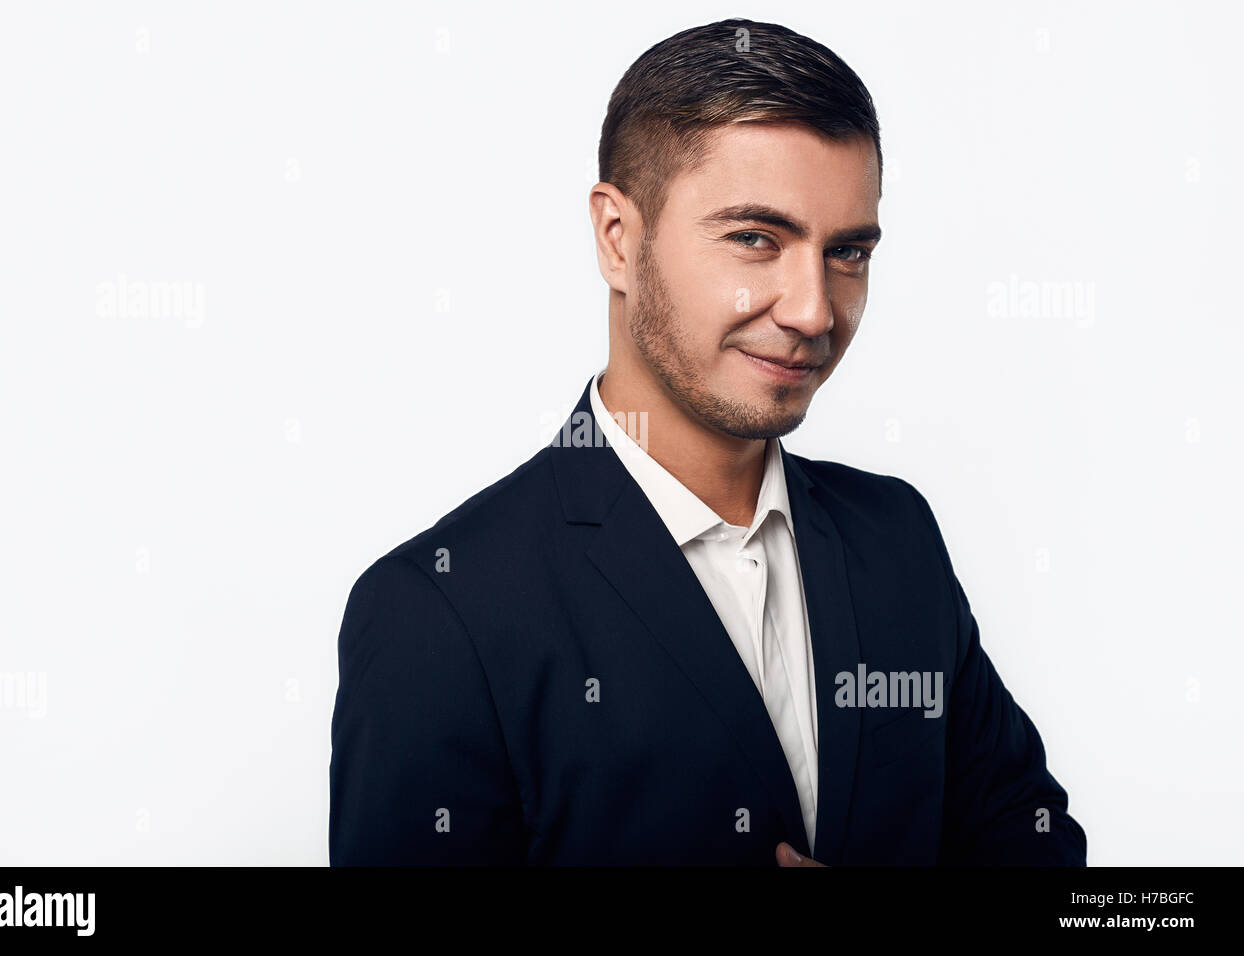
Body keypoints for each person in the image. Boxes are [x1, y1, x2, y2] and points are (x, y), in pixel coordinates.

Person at [329, 17, 1086, 866]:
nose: (813, 310)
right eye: (756, 239)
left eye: (848, 252)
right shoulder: (438, 612)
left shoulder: (896, 536)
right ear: (619, 239)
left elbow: (1042, 851)